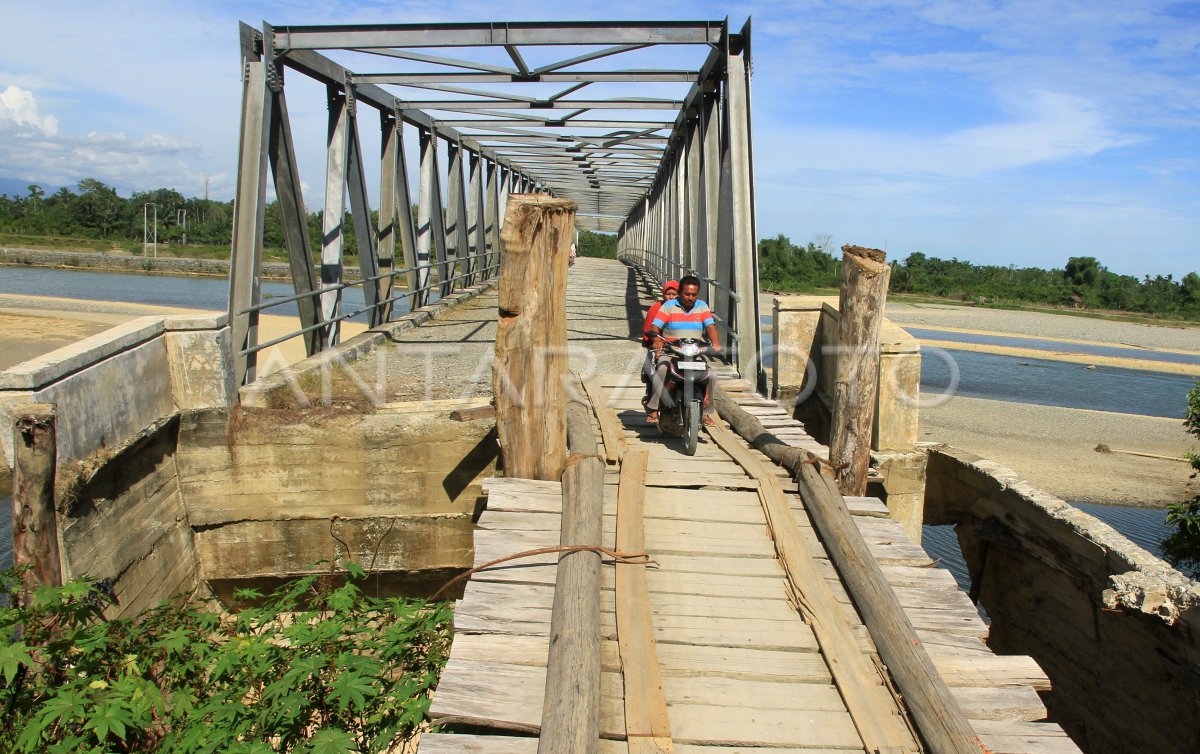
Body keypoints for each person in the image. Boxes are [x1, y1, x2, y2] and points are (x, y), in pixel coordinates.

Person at [645, 275, 722, 425]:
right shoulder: (669, 306)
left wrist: (716, 343)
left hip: (694, 351)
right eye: (687, 294)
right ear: (680, 292)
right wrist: (657, 340)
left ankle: (706, 411)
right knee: (662, 369)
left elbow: (710, 327)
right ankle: (653, 408)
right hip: (672, 350)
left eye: (694, 295)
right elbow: (655, 326)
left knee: (711, 375)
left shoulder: (702, 306)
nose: (690, 298)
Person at [640, 280, 679, 408]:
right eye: (669, 294)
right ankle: (653, 404)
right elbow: (648, 331)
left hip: (681, 347)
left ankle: (704, 409)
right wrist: (657, 341)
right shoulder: (656, 308)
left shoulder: (684, 309)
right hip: (661, 346)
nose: (672, 297)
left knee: (705, 372)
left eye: (675, 294)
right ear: (663, 294)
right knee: (659, 369)